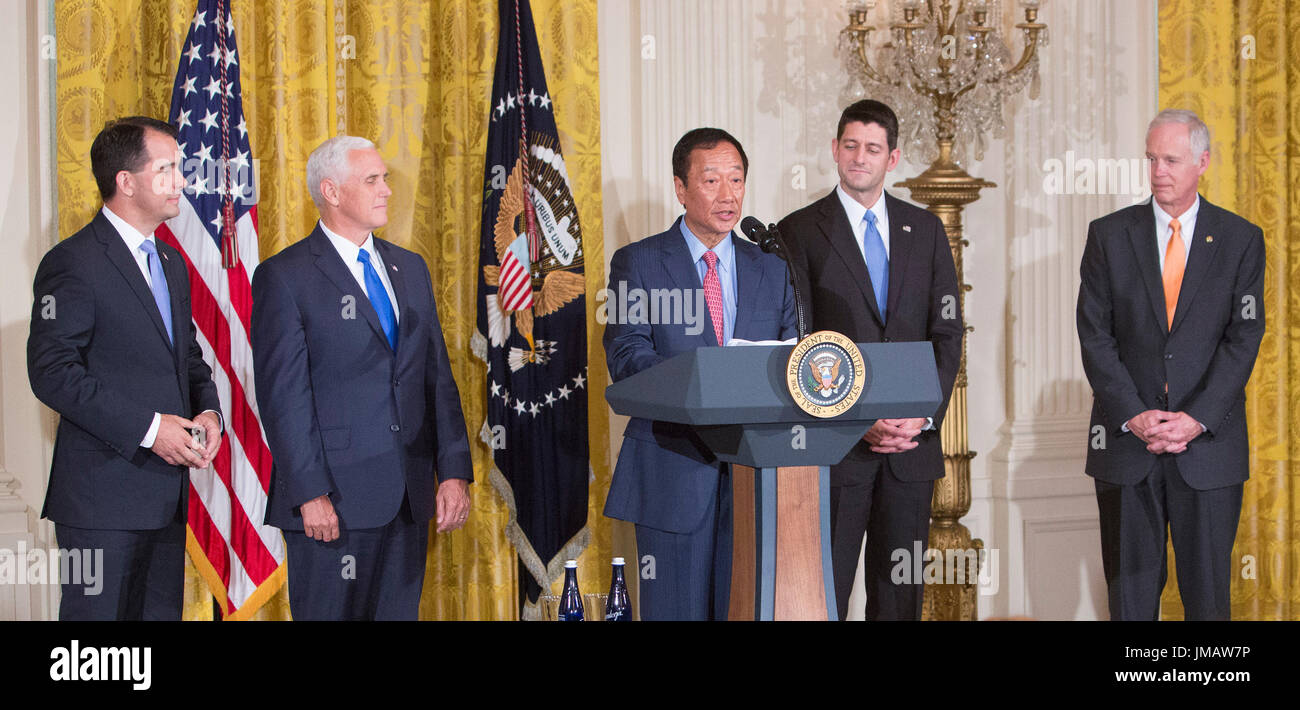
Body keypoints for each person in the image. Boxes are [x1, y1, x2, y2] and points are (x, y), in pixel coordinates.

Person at [251, 135, 473, 620]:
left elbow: (437, 379)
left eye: (385, 178)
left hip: (408, 500)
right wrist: (310, 493)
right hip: (332, 505)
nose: (386, 190)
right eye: (371, 180)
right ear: (331, 192)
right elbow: (283, 398)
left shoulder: (410, 268)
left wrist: (453, 471)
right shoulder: (284, 276)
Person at [28, 116, 223, 620]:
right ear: (126, 181)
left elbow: (188, 359)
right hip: (100, 504)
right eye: (168, 169)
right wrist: (151, 429)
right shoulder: (72, 261)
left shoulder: (171, 262)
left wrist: (210, 415)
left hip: (166, 499)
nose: (182, 180)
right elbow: (52, 372)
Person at [1076, 109, 1264, 620]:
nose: (1159, 171)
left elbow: (1243, 337)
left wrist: (1195, 417)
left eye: (1172, 160)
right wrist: (1133, 414)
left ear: (1202, 162)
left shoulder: (1240, 239)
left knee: (1207, 603)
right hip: (1127, 448)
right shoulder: (1109, 236)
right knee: (1131, 603)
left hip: (1208, 450)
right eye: (1152, 159)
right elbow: (1095, 335)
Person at [603, 128, 797, 620]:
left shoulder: (773, 267)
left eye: (736, 179)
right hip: (673, 470)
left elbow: (794, 358)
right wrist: (704, 384)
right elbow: (626, 354)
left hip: (757, 479)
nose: (728, 194)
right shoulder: (640, 262)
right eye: (711, 180)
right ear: (680, 187)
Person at [779, 100, 962, 620]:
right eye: (851, 146)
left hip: (912, 450)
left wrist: (922, 416)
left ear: (894, 158)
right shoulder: (799, 231)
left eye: (873, 148)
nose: (860, 157)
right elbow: (799, 340)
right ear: (835, 150)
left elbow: (946, 333)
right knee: (825, 595)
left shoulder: (924, 230)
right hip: (837, 450)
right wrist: (855, 419)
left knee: (899, 601)